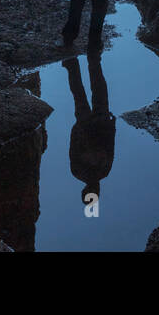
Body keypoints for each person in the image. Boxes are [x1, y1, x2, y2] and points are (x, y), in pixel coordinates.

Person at [64, 54, 115, 209]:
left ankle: (92, 62)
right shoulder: (78, 172)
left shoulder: (103, 171)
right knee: (79, 93)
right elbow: (73, 147)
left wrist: (112, 127)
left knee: (97, 90)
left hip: (98, 124)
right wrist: (77, 128)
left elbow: (110, 147)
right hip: (87, 126)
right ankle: (72, 64)